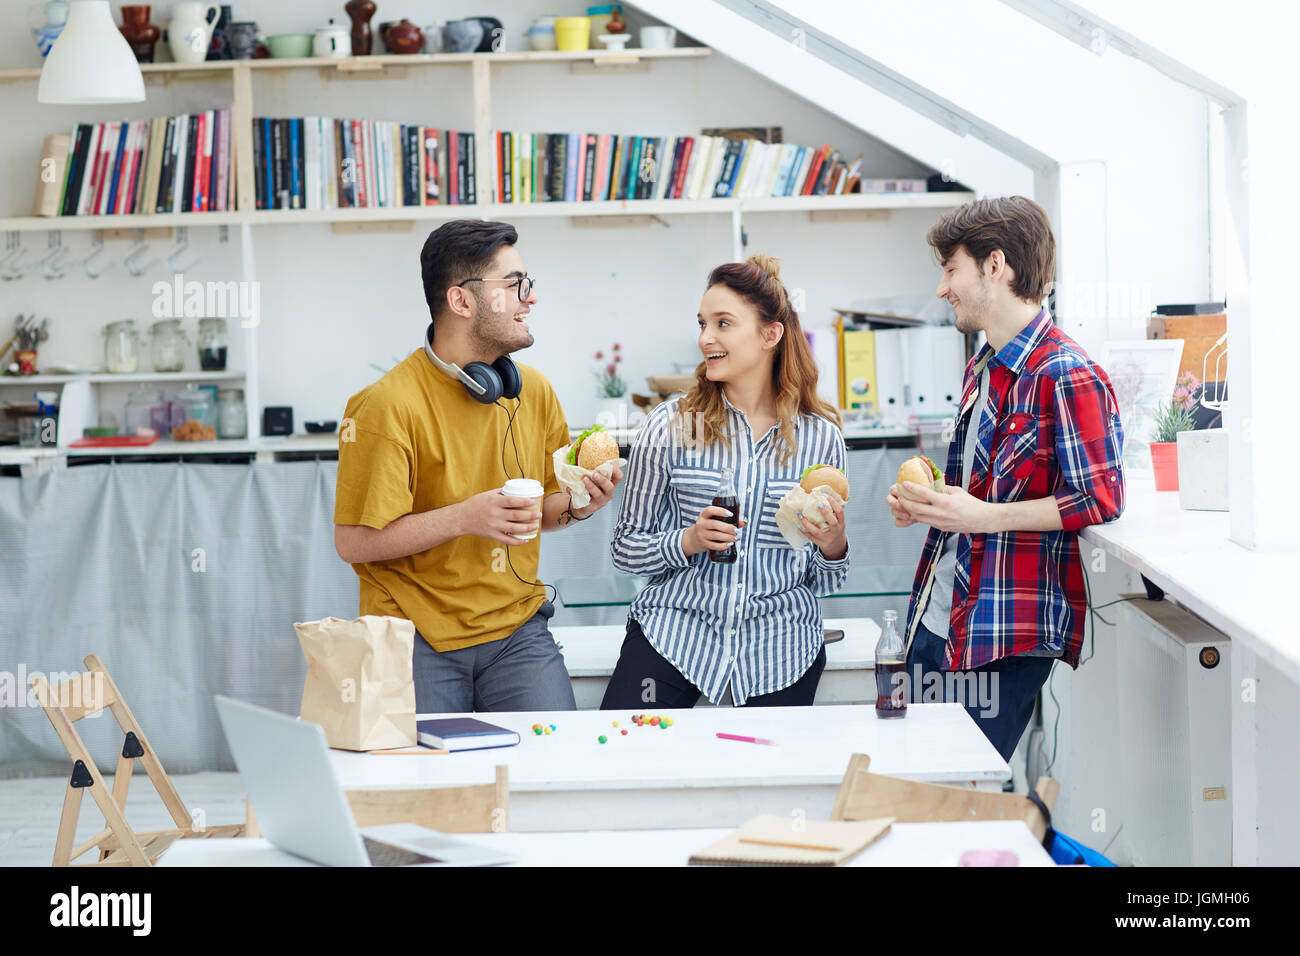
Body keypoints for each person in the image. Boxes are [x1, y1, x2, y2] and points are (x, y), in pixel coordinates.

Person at [333, 219, 622, 713]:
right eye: (514, 286)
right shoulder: (384, 406)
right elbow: (353, 541)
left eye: (527, 284)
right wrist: (464, 518)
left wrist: (580, 504)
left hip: (517, 629)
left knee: (558, 770)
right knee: (440, 788)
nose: (530, 299)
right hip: (415, 635)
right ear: (462, 301)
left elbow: (541, 514)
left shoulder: (534, 391)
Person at [887, 196, 1125, 761]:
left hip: (1003, 638)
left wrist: (984, 517)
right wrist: (927, 503)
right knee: (914, 788)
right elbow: (973, 492)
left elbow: (1101, 497)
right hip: (938, 617)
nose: (943, 289)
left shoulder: (1067, 373)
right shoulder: (982, 365)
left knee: (960, 801)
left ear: (996, 267)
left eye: (951, 270)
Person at [602, 254, 848, 709]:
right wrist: (689, 540)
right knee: (621, 757)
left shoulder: (822, 441)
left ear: (770, 334)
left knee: (773, 778)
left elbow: (826, 581)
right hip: (674, 633)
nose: (704, 338)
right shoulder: (669, 425)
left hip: (781, 645)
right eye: (702, 323)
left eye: (723, 324)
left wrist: (834, 544)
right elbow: (624, 549)